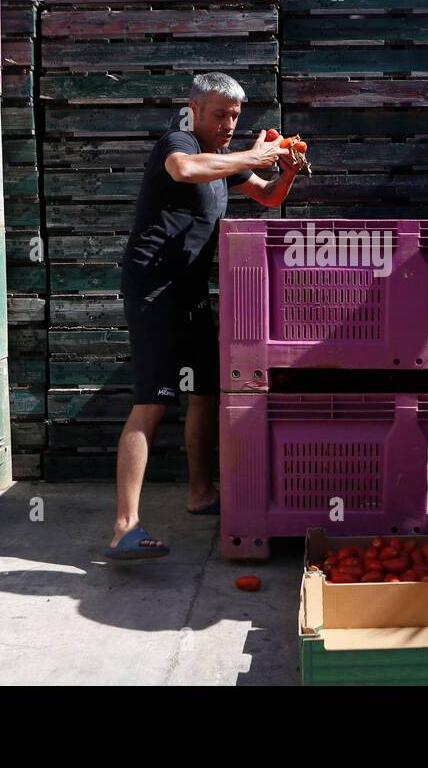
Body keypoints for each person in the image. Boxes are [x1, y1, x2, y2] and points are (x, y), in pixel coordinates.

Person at [108, 73, 302, 560]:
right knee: (153, 400)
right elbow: (184, 169)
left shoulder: (224, 160)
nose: (228, 124)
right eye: (220, 114)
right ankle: (124, 527)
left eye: (235, 116)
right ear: (194, 108)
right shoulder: (180, 142)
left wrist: (287, 169)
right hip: (154, 289)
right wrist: (254, 156)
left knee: (205, 393)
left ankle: (201, 494)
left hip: (191, 292)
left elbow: (269, 197)